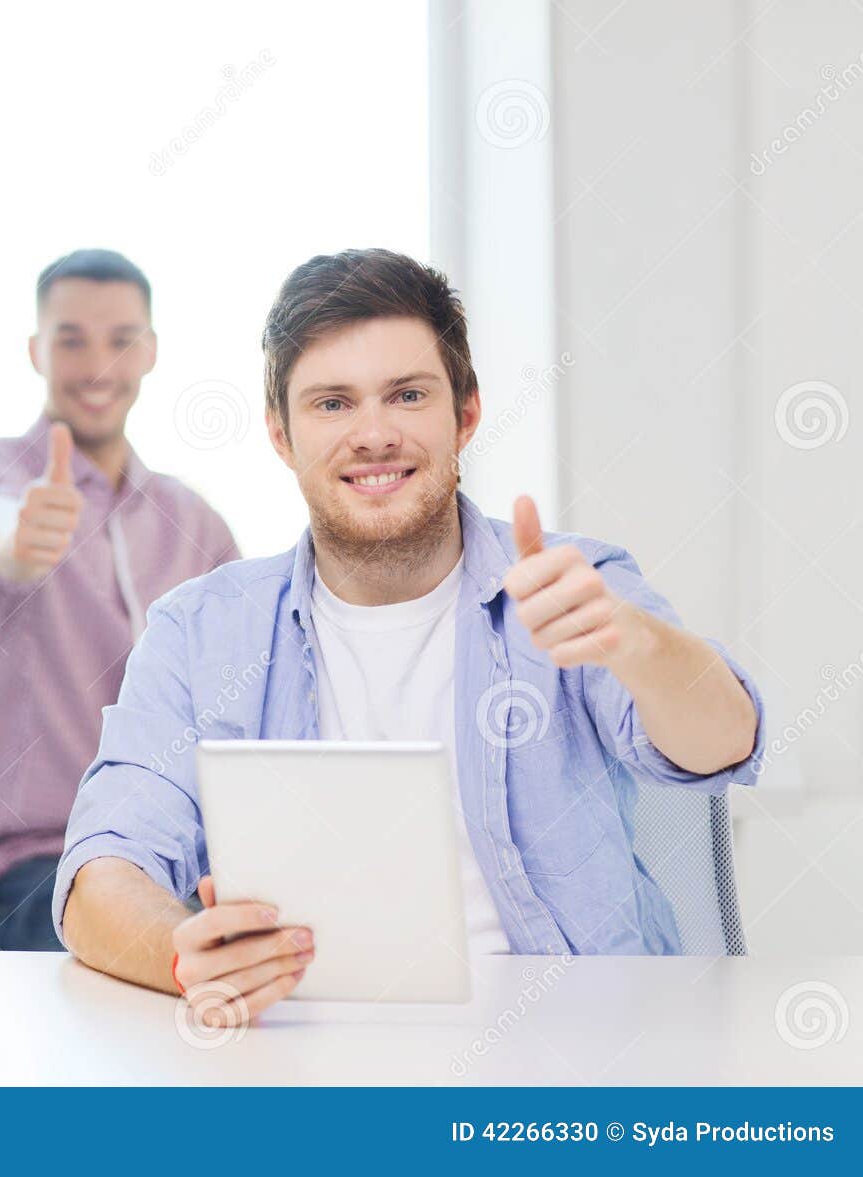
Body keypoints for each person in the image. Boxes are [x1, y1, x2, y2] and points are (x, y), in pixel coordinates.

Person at [53, 248, 765, 1026]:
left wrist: (638, 645)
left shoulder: (573, 583)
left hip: (569, 1054)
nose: (373, 433)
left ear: (465, 414)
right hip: (302, 1051)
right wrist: (183, 954)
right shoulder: (201, 631)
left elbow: (723, 739)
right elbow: (101, 870)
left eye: (407, 394)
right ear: (281, 437)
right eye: (332, 403)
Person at [0, 249, 240, 951]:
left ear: (150, 351)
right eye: (71, 340)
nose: (98, 365)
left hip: (177, 862)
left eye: (121, 339)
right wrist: (19, 536)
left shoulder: (196, 524)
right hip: (34, 872)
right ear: (37, 350)